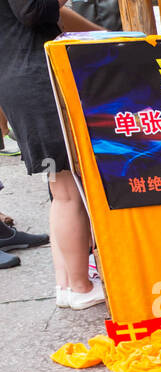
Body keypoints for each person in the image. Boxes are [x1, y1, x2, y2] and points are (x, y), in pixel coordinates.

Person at [0, 0, 104, 308]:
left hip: (21, 75)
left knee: (60, 188)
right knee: (69, 189)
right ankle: (81, 287)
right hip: (36, 78)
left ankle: (67, 284)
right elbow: (34, 10)